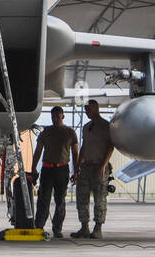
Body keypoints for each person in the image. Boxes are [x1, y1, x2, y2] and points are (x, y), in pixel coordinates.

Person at [29, 106, 78, 237]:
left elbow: (75, 153)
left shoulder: (70, 132)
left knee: (60, 200)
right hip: (47, 169)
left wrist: (76, 171)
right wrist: (33, 169)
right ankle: (39, 227)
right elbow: (38, 152)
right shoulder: (46, 132)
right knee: (43, 199)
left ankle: (57, 229)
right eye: (53, 116)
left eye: (57, 116)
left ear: (63, 116)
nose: (55, 119)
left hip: (62, 169)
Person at [73, 99, 115, 239]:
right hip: (86, 166)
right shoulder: (86, 127)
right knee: (82, 197)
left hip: (99, 166)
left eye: (88, 109)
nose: (86, 112)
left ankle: (98, 228)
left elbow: (110, 146)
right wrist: (77, 167)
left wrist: (103, 165)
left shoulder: (106, 126)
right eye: (85, 110)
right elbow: (84, 147)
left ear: (96, 109)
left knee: (100, 198)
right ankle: (84, 227)